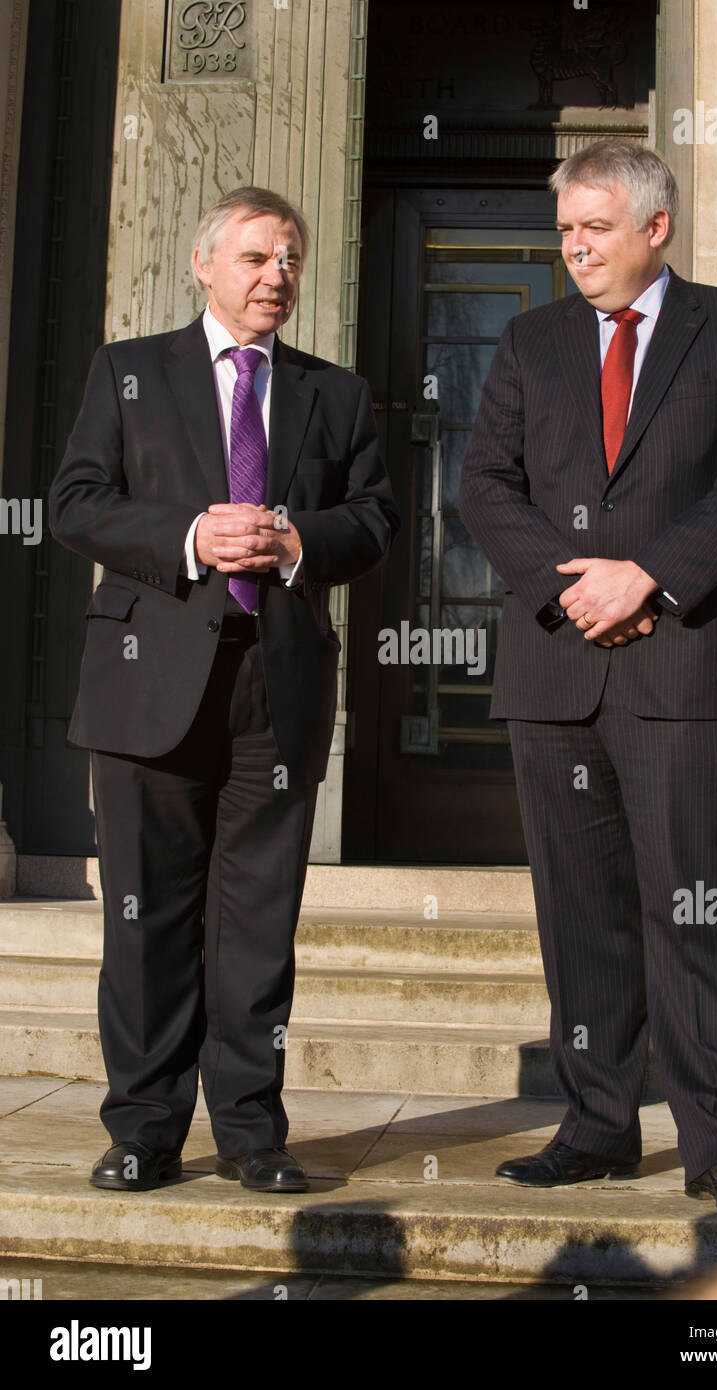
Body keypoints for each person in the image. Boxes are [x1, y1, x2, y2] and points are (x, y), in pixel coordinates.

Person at [460, 141, 717, 1215]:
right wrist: (569, 594)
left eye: (593, 227)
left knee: (691, 907)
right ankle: (597, 1126)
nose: (573, 247)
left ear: (656, 228)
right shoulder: (526, 339)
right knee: (581, 914)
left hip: (683, 663)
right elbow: (484, 485)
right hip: (555, 668)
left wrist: (646, 576)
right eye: (564, 230)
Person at [50, 187, 398, 1194]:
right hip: (145, 682)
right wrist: (192, 537)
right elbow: (75, 503)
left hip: (276, 687)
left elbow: (374, 520)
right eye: (254, 257)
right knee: (146, 914)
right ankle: (144, 1132)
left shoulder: (336, 393)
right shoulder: (129, 373)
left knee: (256, 922)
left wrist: (298, 542)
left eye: (288, 258)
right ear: (204, 265)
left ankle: (251, 1133)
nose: (275, 276)